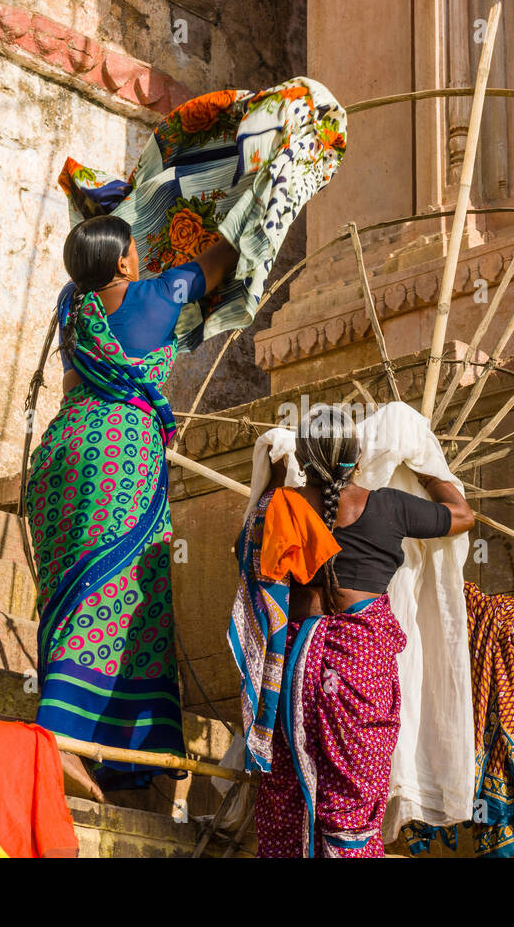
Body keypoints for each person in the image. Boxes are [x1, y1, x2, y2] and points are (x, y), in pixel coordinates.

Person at [27, 214, 238, 800]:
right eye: (135, 250)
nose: (141, 257)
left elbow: (72, 389)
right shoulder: (158, 293)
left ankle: (114, 752)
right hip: (117, 454)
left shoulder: (74, 309)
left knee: (78, 590)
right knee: (114, 594)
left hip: (63, 453)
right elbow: (224, 257)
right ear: (122, 261)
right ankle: (59, 738)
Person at [230, 403, 474, 857]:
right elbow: (461, 515)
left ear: (303, 462)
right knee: (353, 793)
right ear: (357, 458)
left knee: (287, 789)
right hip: (359, 662)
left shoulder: (281, 507)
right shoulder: (390, 506)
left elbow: (248, 566)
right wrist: (422, 466)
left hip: (296, 667)